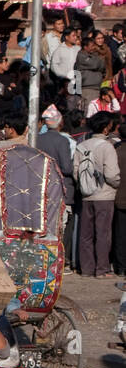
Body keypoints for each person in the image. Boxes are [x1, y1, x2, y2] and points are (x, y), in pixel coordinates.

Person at [75, 110, 119, 277]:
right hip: (104, 195)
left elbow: (76, 172)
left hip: (86, 195)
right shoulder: (107, 147)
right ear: (107, 128)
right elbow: (112, 175)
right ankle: (102, 269)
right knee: (103, 233)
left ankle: (86, 269)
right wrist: (116, 185)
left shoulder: (81, 146)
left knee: (85, 234)